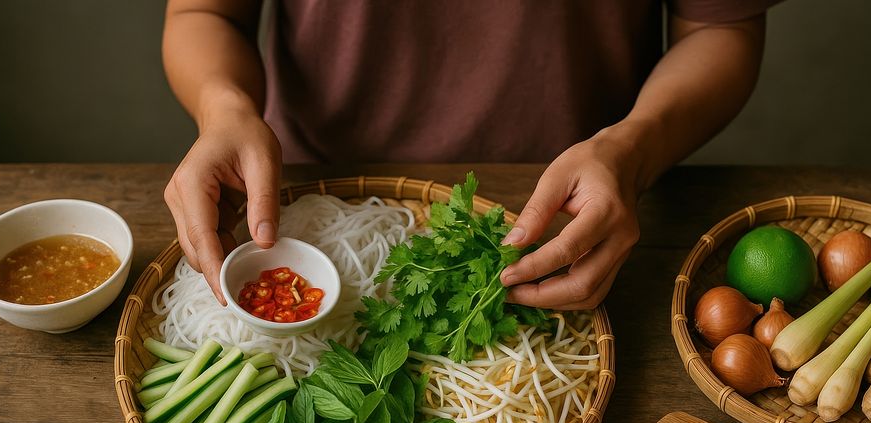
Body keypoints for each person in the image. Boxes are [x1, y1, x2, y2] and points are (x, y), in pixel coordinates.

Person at [162, 0, 775, 309]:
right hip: (314, 204)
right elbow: (205, 10)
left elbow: (720, 25)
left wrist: (632, 149)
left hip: (575, 212)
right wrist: (226, 110)